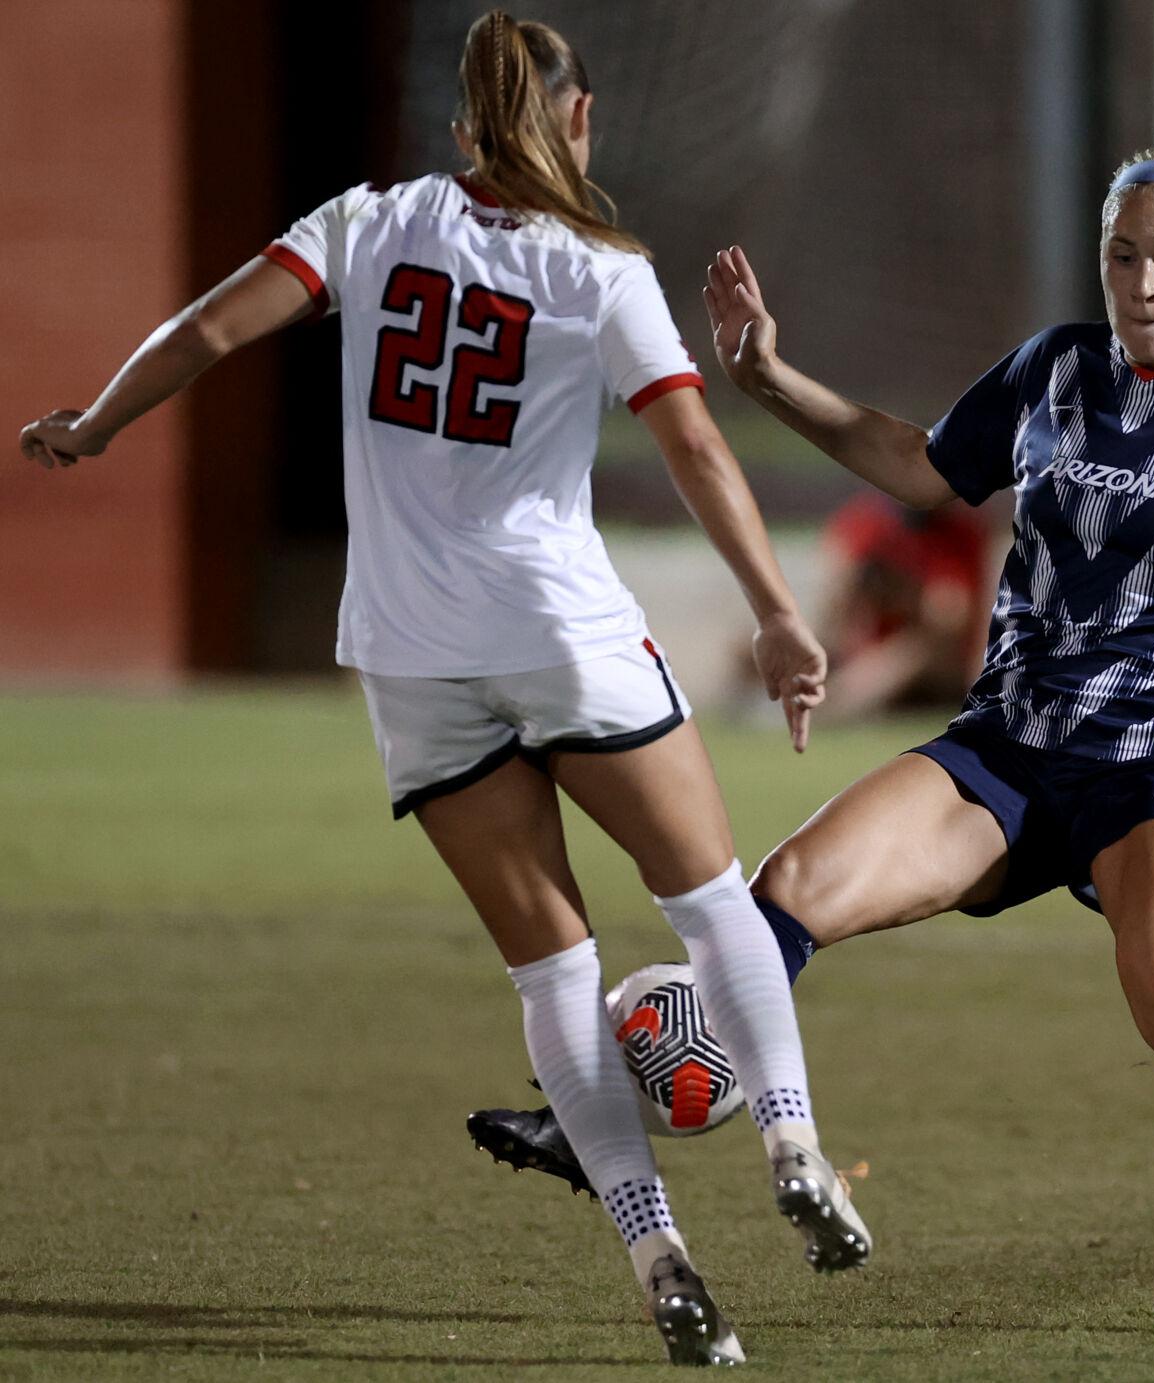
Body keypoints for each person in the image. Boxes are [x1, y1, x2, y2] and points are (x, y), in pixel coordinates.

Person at [469, 146, 1154, 1342]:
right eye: (1120, 255)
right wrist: (768, 375)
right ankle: (598, 1125)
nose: (1141, 283)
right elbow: (919, 463)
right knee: (780, 893)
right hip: (1006, 744)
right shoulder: (1053, 369)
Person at [17, 10, 870, 1368]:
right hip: (558, 631)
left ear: (463, 125)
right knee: (709, 900)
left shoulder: (368, 221)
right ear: (578, 120)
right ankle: (793, 1146)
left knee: (553, 968)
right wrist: (774, 608)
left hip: (410, 654)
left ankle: (656, 1252)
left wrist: (97, 420)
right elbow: (693, 434)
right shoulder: (598, 263)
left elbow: (207, 326)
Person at [815, 493, 993, 715]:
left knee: (918, 650)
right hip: (866, 650)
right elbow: (836, 595)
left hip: (938, 666)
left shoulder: (961, 533)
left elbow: (950, 617)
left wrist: (901, 593)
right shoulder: (866, 523)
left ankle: (832, 705)